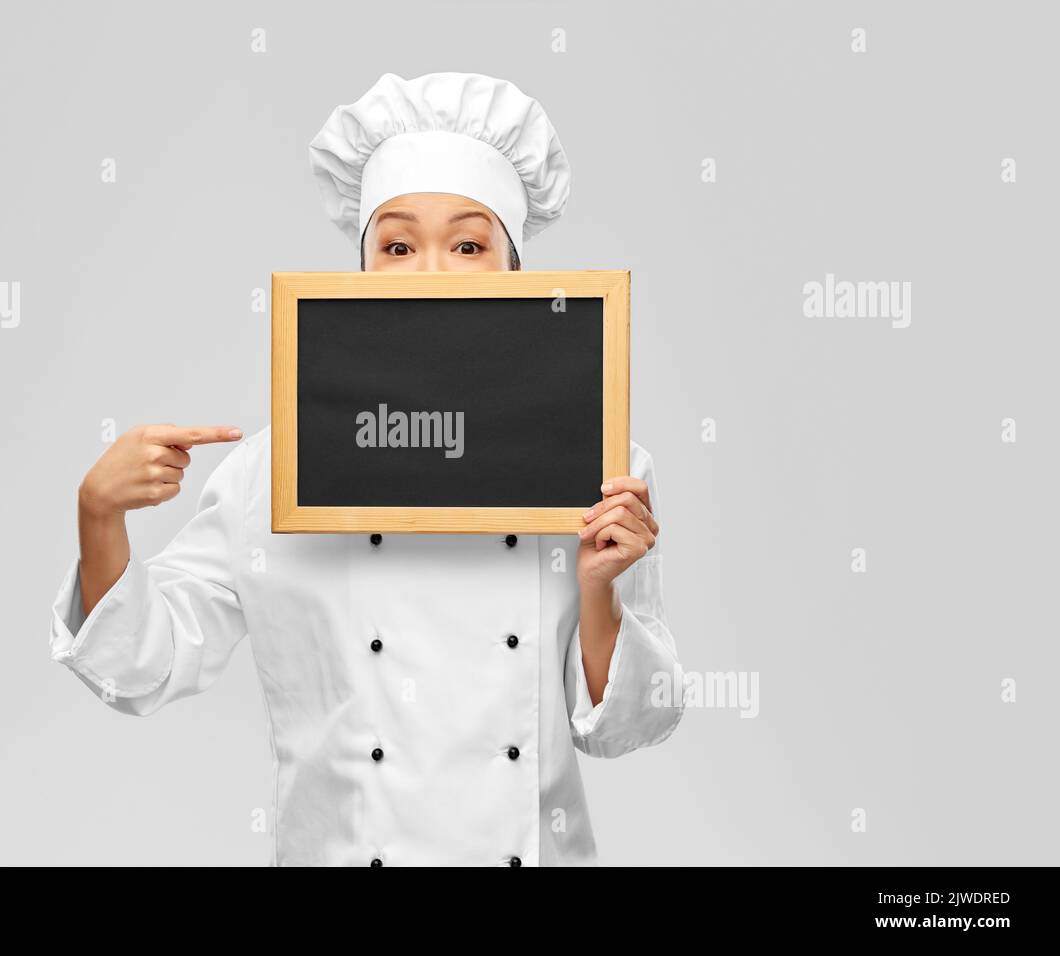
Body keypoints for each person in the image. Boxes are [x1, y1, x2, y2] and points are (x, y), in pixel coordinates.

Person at [50, 72, 684, 866]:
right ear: (356, 276)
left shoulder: (593, 463)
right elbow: (139, 669)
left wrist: (599, 590)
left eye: (467, 245)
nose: (430, 274)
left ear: (514, 275)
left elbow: (634, 725)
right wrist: (97, 517)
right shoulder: (277, 468)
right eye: (396, 246)